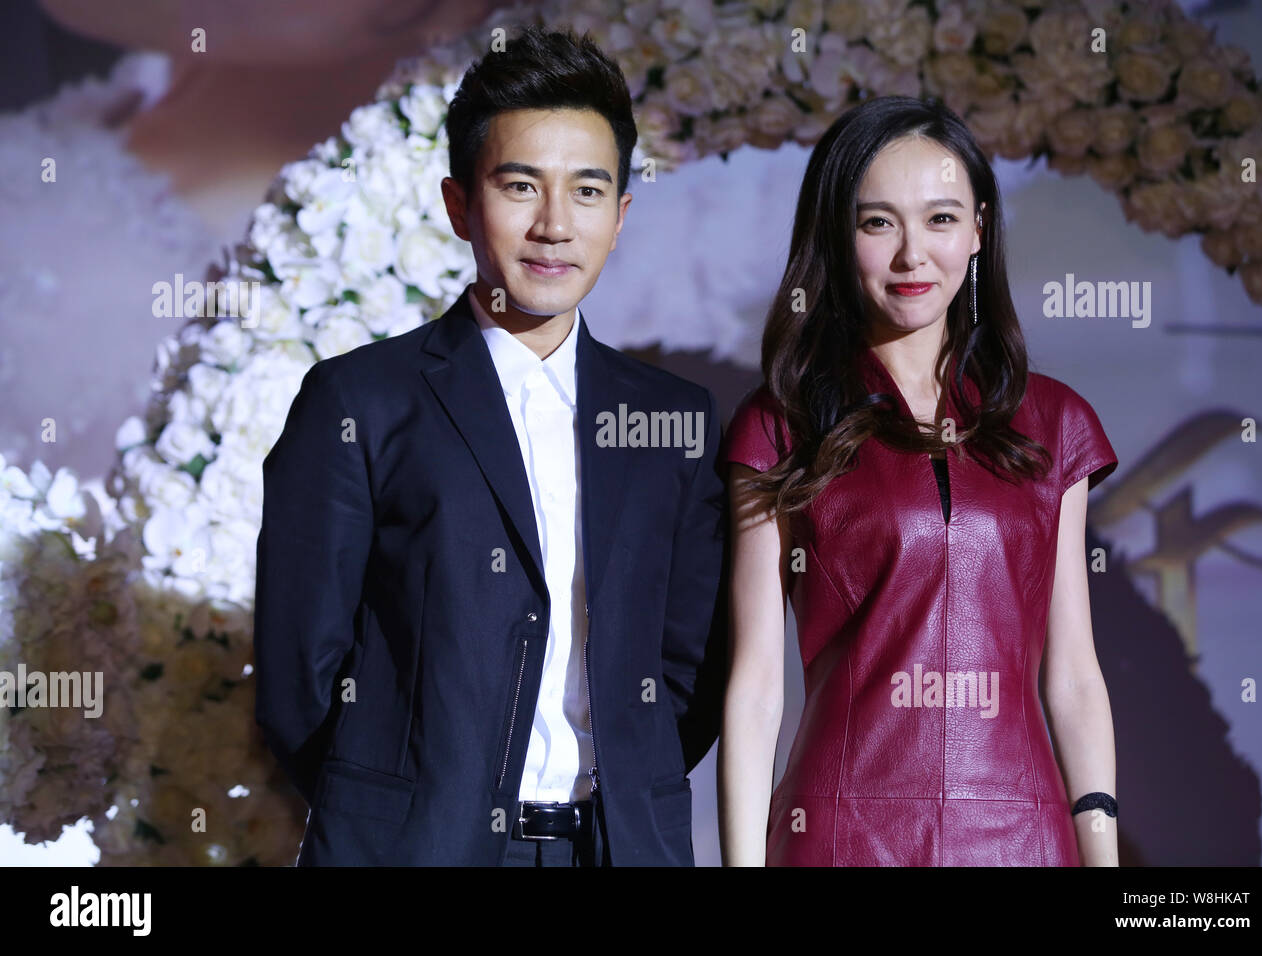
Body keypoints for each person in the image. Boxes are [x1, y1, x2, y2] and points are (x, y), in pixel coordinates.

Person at [253, 26, 727, 867]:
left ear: (619, 217)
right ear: (460, 203)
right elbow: (300, 678)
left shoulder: (674, 421)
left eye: (587, 192)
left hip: (615, 847)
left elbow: (688, 676)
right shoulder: (360, 400)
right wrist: (397, 806)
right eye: (520, 186)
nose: (554, 226)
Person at [718, 96, 1120, 867]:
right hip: (840, 834)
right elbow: (757, 685)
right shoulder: (780, 425)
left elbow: (1071, 672)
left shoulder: (1057, 422)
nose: (912, 256)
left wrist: (1098, 846)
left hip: (1021, 839)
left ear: (979, 230)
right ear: (838, 235)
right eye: (877, 223)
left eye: (940, 219)